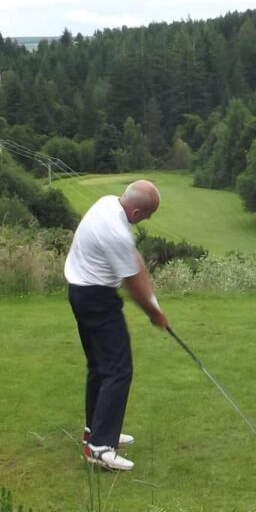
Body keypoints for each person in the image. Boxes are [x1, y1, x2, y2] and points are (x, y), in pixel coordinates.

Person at [64, 179, 169, 471]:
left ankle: (95, 433)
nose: (146, 221)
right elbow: (133, 284)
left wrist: (155, 302)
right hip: (96, 299)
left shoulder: (109, 204)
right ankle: (100, 448)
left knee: (99, 367)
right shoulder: (116, 233)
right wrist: (154, 314)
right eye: (147, 216)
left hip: (81, 292)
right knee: (118, 370)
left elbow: (135, 262)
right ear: (137, 214)